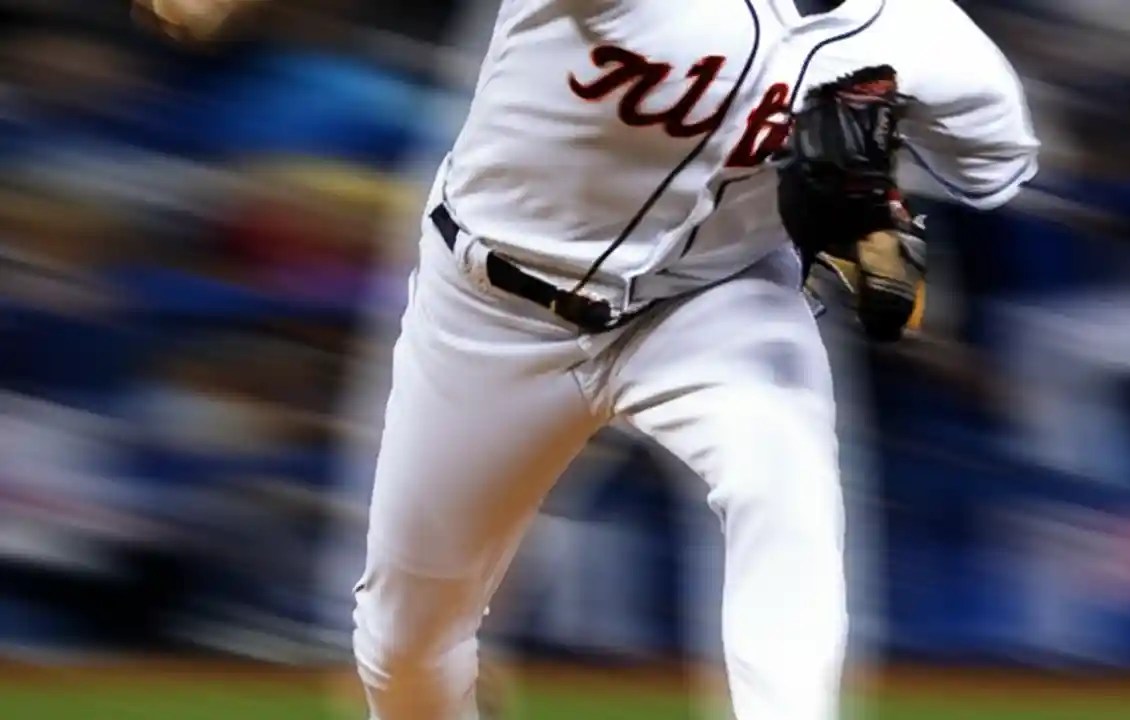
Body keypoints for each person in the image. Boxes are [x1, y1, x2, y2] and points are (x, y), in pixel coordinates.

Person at [134, 1, 1038, 718]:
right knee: (406, 641)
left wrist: (881, 204)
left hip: (711, 305)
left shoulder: (925, 39)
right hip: (494, 309)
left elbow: (994, 165)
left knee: (782, 483)